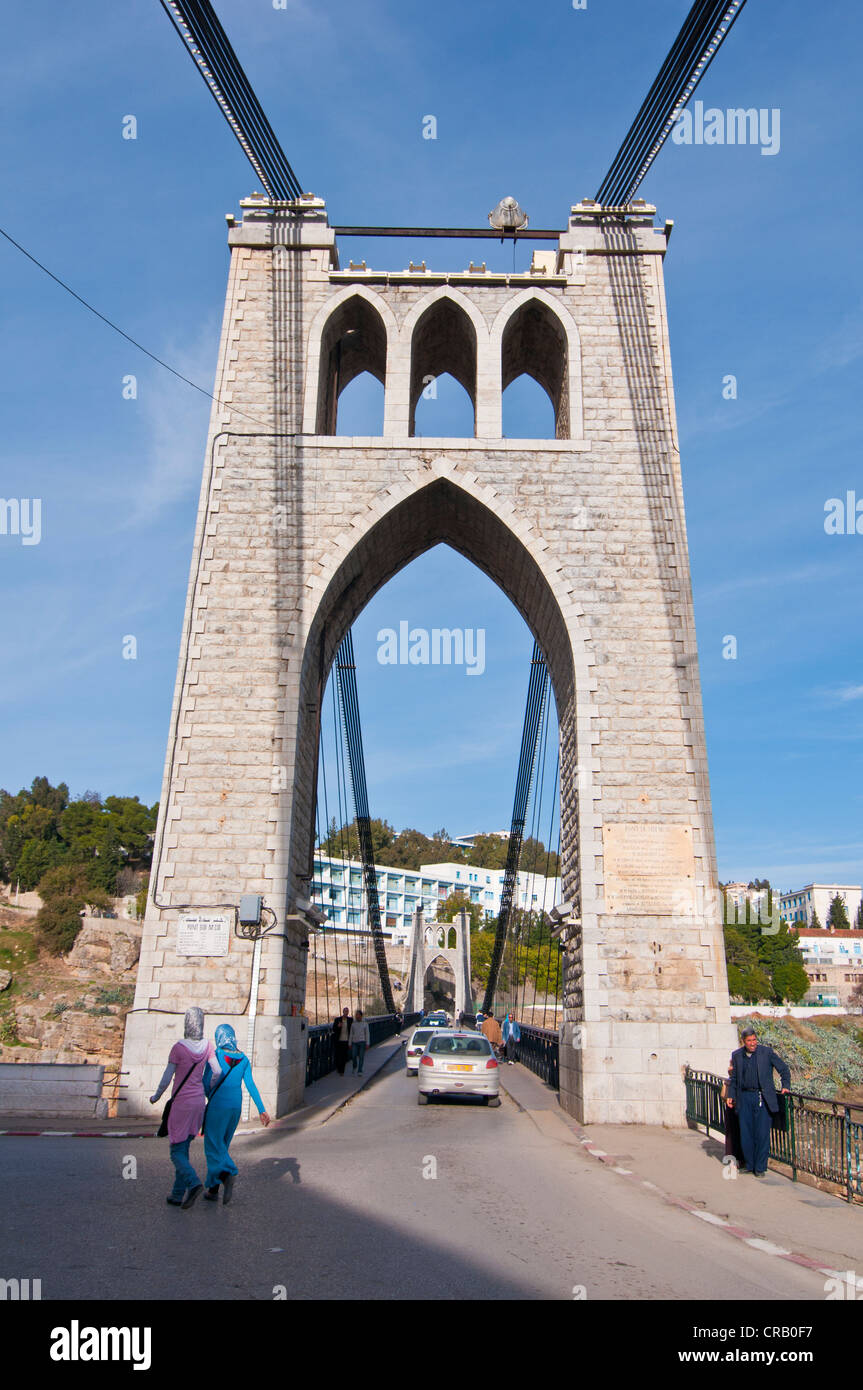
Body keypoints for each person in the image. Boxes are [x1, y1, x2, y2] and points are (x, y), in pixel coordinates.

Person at [150, 1006, 219, 1208]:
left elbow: (167, 1077)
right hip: (199, 1103)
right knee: (184, 1147)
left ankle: (193, 1183)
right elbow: (217, 1070)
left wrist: (156, 1096)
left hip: (181, 1104)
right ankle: (177, 1194)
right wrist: (208, 1087)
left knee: (176, 1151)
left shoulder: (178, 1048)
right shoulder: (208, 1047)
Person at [202, 1023, 270, 1204]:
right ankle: (213, 1189)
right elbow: (251, 1085)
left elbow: (206, 1082)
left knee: (212, 1146)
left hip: (218, 1106)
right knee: (222, 1145)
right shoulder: (244, 1059)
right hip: (235, 1108)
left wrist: (207, 1097)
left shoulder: (215, 1055)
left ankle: (228, 1173)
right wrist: (262, 1109)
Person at [725, 1028, 791, 1177]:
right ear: (744, 1042)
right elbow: (734, 1078)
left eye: (754, 1040)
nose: (753, 1043)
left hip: (762, 1097)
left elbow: (784, 1069)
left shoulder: (766, 1053)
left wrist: (785, 1086)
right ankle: (749, 1165)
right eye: (749, 1041)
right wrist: (731, 1095)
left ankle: (760, 1168)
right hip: (744, 1097)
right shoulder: (737, 1056)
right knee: (746, 1133)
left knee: (762, 1133)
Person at [720, 1058, 745, 1166]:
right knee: (737, 1132)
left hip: (732, 1106)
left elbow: (723, 1095)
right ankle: (739, 1159)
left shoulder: (731, 1077)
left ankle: (732, 1157)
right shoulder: (734, 1076)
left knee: (732, 1133)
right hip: (735, 1106)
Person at [332, 1006, 353, 1075]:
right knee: (338, 1055)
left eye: (347, 1011)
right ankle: (338, 1068)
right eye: (345, 1011)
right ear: (343, 1012)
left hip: (346, 1040)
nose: (346, 1013)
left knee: (344, 1056)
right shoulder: (337, 1019)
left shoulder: (350, 1020)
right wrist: (338, 1026)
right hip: (338, 1041)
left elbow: (353, 1030)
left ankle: (342, 1071)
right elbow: (334, 1029)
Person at [349, 1009, 370, 1076]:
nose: (356, 1016)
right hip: (354, 1042)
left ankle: (360, 1070)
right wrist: (349, 1043)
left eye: (358, 1015)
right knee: (353, 1055)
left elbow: (367, 1034)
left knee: (361, 1056)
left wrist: (367, 1043)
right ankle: (355, 1065)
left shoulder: (365, 1024)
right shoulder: (353, 1024)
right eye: (356, 1015)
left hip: (362, 1042)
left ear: (361, 1016)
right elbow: (351, 1034)